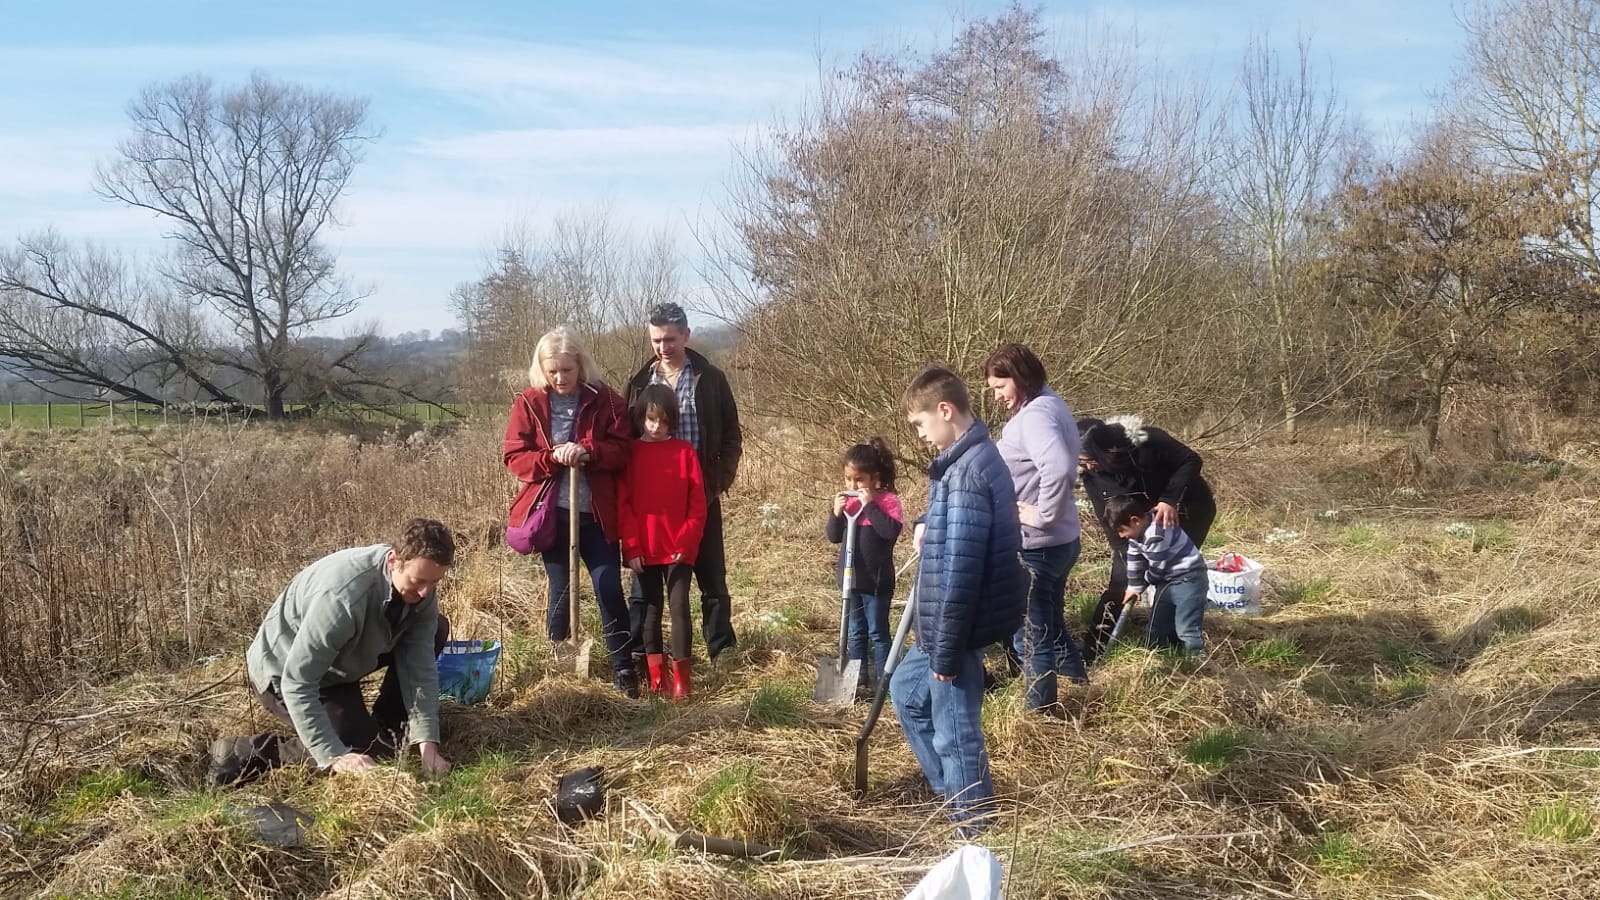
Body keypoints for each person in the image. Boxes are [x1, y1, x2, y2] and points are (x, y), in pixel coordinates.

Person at [208, 518, 456, 787]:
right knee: (360, 751)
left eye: (434, 582)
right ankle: (243, 752)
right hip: (284, 671)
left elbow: (419, 667)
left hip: (342, 662)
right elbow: (297, 681)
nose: (426, 591)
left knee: (435, 630)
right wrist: (335, 755)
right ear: (394, 560)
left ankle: (389, 730)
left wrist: (427, 745)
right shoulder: (342, 598)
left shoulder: (421, 589)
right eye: (418, 581)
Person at [891, 365, 1026, 838]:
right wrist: (928, 519)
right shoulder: (965, 459)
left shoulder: (968, 472)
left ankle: (974, 830)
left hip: (955, 627)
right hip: (941, 624)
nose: (922, 435)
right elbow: (958, 523)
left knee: (955, 732)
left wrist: (946, 652)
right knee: (906, 695)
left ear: (945, 410)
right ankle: (950, 795)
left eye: (921, 424)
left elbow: (962, 575)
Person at [504, 326, 639, 697]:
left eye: (567, 369)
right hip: (552, 515)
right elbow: (515, 457)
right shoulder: (529, 403)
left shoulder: (607, 401)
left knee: (607, 586)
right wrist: (551, 457)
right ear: (542, 369)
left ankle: (624, 668)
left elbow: (623, 449)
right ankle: (559, 670)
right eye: (553, 371)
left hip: (596, 515)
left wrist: (589, 452)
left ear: (581, 365)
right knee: (560, 591)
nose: (560, 378)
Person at [624, 302, 743, 661]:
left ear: (686, 335)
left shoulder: (709, 378)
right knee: (644, 588)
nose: (663, 347)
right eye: (656, 340)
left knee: (712, 580)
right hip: (652, 506)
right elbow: (627, 441)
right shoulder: (639, 382)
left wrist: (716, 484)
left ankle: (721, 651)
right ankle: (641, 655)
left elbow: (731, 437)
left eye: (670, 339)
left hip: (699, 497)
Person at [984, 344, 1089, 713]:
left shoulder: (1034, 417)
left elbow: (1059, 467)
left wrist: (1042, 514)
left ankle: (1040, 716)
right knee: (1051, 623)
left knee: (1031, 635)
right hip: (1061, 540)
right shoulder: (1051, 403)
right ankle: (1079, 686)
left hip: (1038, 544)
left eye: (1000, 387)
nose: (997, 396)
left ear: (1021, 376)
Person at [1076, 416, 1216, 663]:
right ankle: (1095, 649)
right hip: (1136, 525)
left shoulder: (1150, 441)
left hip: (1187, 510)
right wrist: (1127, 562)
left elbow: (1191, 460)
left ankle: (1179, 643)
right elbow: (1109, 520)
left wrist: (1170, 499)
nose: (1087, 467)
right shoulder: (1092, 475)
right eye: (1080, 462)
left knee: (1175, 574)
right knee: (1120, 580)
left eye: (1090, 461)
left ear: (1108, 452)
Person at [619, 384, 707, 700]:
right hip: (644, 549)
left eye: (663, 421)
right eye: (651, 420)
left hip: (680, 548)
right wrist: (631, 547)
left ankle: (683, 681)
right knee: (650, 611)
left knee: (680, 606)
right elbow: (624, 505)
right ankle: (657, 678)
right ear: (641, 417)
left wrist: (686, 541)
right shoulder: (630, 454)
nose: (656, 427)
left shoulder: (684, 452)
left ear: (673, 421)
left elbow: (697, 504)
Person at [825, 437, 904, 688]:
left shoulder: (888, 502)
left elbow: (889, 532)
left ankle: (884, 681)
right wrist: (836, 513)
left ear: (874, 477)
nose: (852, 485)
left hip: (877, 582)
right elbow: (833, 536)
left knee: (878, 633)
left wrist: (869, 506)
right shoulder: (846, 504)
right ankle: (856, 680)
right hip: (851, 580)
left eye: (859, 480)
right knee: (855, 632)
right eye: (848, 479)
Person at [1103, 494, 1208, 654]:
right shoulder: (1137, 534)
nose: (1121, 536)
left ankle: (1195, 662)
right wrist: (1133, 586)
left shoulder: (1157, 533)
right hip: (1167, 581)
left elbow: (1157, 570)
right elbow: (1134, 558)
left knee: (1186, 629)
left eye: (1122, 530)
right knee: (1157, 626)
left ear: (1135, 520)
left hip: (1189, 580)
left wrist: (1143, 582)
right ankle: (1160, 657)